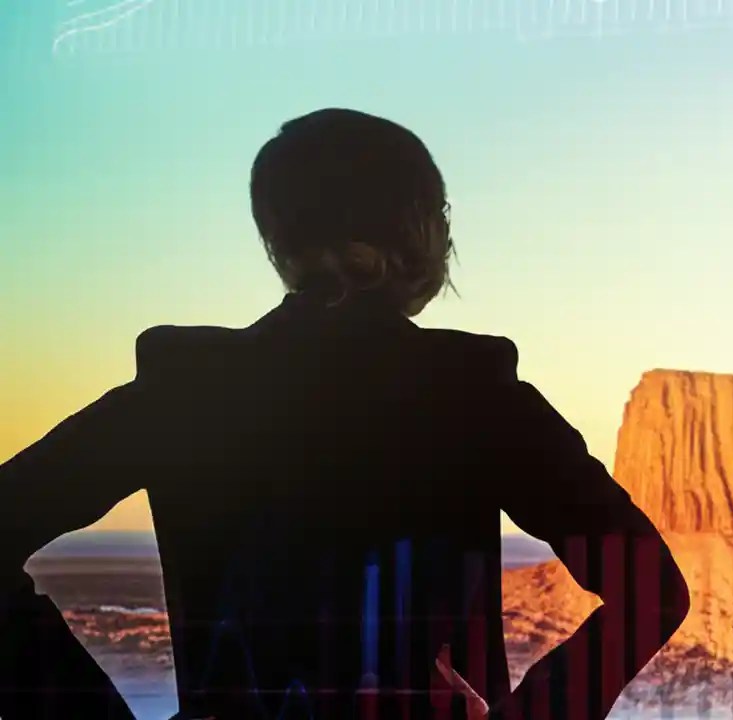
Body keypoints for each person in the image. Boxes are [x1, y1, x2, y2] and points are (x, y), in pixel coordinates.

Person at [0, 108, 692, 720]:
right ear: (423, 236)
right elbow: (652, 590)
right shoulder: (478, 396)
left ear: (277, 239)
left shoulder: (183, 389)